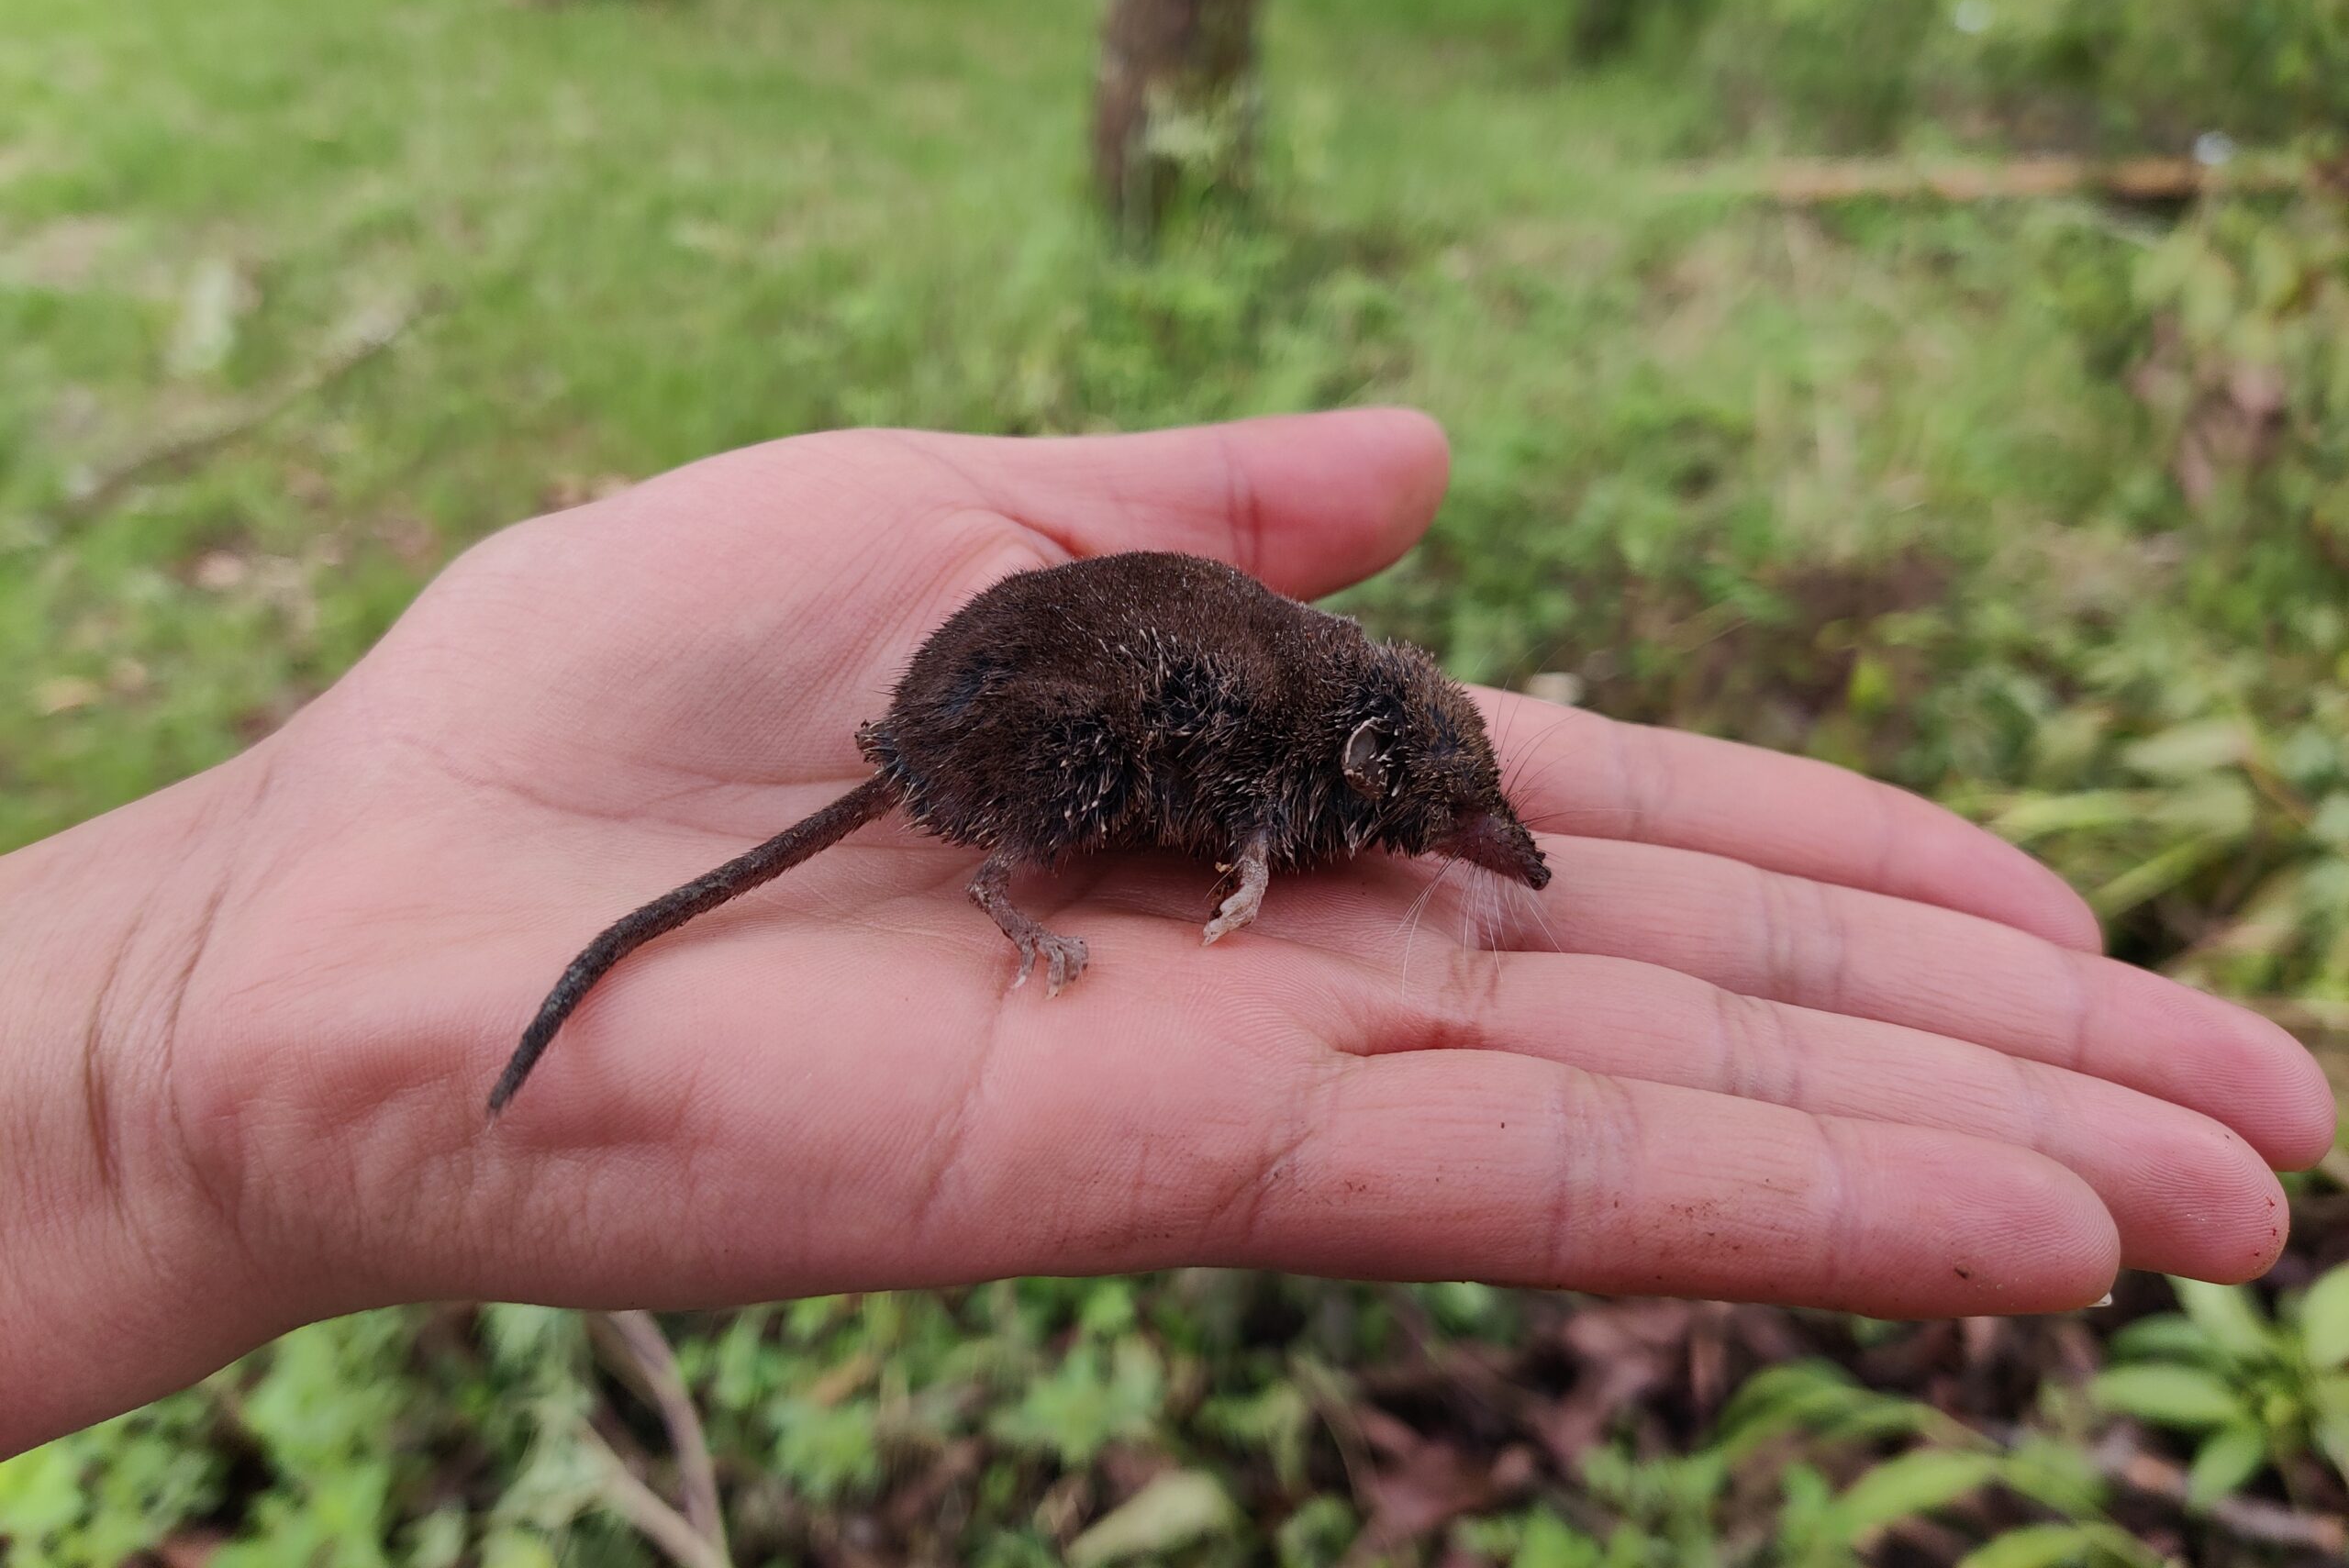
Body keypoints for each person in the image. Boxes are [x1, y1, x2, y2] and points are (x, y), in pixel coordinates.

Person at [1, 410, 2330, 1457]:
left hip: (1029, 697)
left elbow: (1335, 798)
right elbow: (1235, 799)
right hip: (1006, 741)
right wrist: (1043, 884)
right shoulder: (1275, 753)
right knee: (1069, 797)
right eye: (1451, 829)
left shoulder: (1359, 731)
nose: (1477, 849)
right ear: (1358, 790)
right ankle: (1004, 880)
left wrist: (147, 1089)